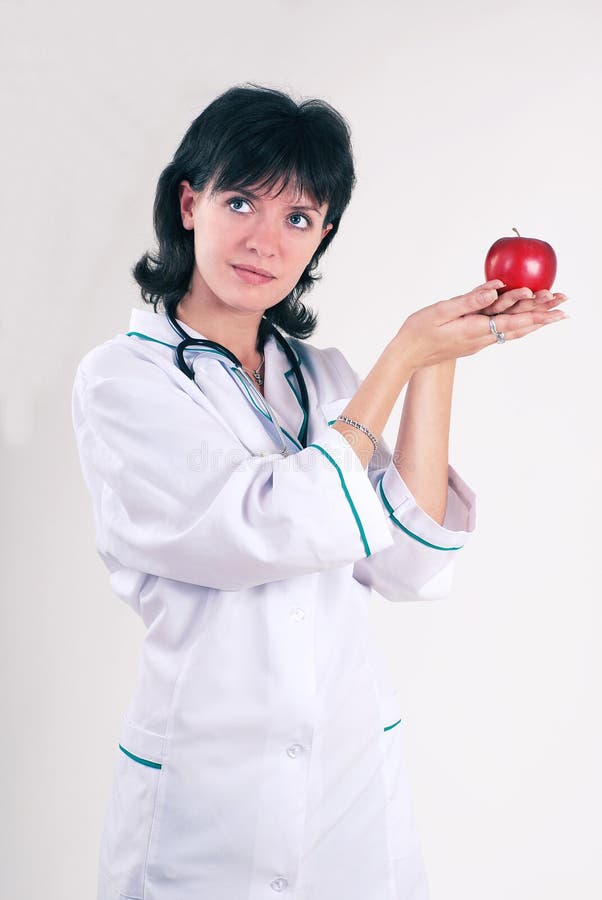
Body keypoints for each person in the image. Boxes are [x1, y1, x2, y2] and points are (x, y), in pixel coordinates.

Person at [71, 83, 568, 900]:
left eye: (298, 219)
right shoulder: (124, 380)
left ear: (322, 235)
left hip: (346, 780)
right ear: (190, 203)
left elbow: (409, 563)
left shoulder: (323, 378)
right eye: (242, 202)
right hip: (207, 790)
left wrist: (437, 362)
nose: (267, 241)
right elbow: (260, 528)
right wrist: (402, 355)